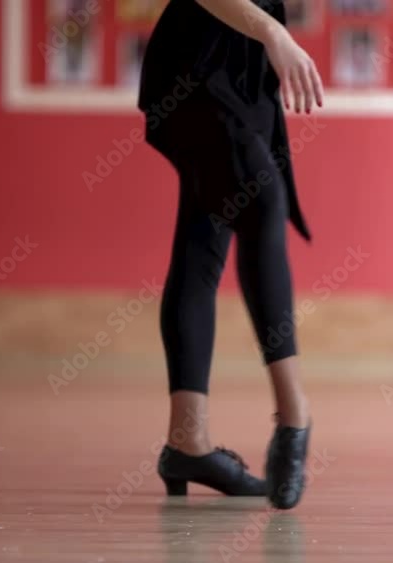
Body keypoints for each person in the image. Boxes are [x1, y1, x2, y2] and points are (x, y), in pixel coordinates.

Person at [137, 0, 324, 510]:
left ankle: (186, 442)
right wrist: (272, 33)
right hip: (197, 61)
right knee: (261, 200)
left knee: (206, 233)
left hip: (242, 62)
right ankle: (294, 414)